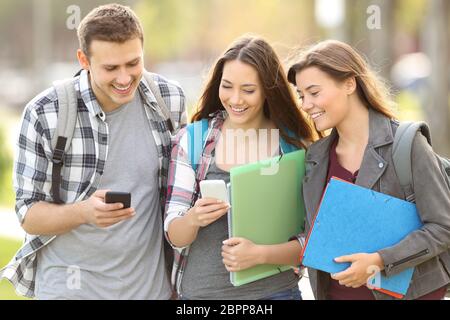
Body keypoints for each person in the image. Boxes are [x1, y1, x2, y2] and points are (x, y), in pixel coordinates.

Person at [0, 4, 186, 299]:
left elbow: (181, 194)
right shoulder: (45, 113)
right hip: (68, 290)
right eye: (111, 68)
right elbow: (28, 214)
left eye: (133, 63)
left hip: (150, 292)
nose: (125, 79)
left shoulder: (169, 100)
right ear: (83, 59)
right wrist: (83, 212)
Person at [288, 40, 450, 300]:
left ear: (350, 84)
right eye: (301, 95)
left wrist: (380, 260)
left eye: (314, 93)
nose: (306, 104)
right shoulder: (315, 158)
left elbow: (443, 227)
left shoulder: (407, 144)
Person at [164, 35, 315, 300]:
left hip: (276, 294)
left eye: (248, 90)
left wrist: (260, 255)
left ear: (268, 90)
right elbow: (174, 235)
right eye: (227, 86)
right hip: (202, 297)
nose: (235, 99)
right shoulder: (192, 140)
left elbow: (311, 240)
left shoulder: (293, 146)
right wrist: (194, 218)